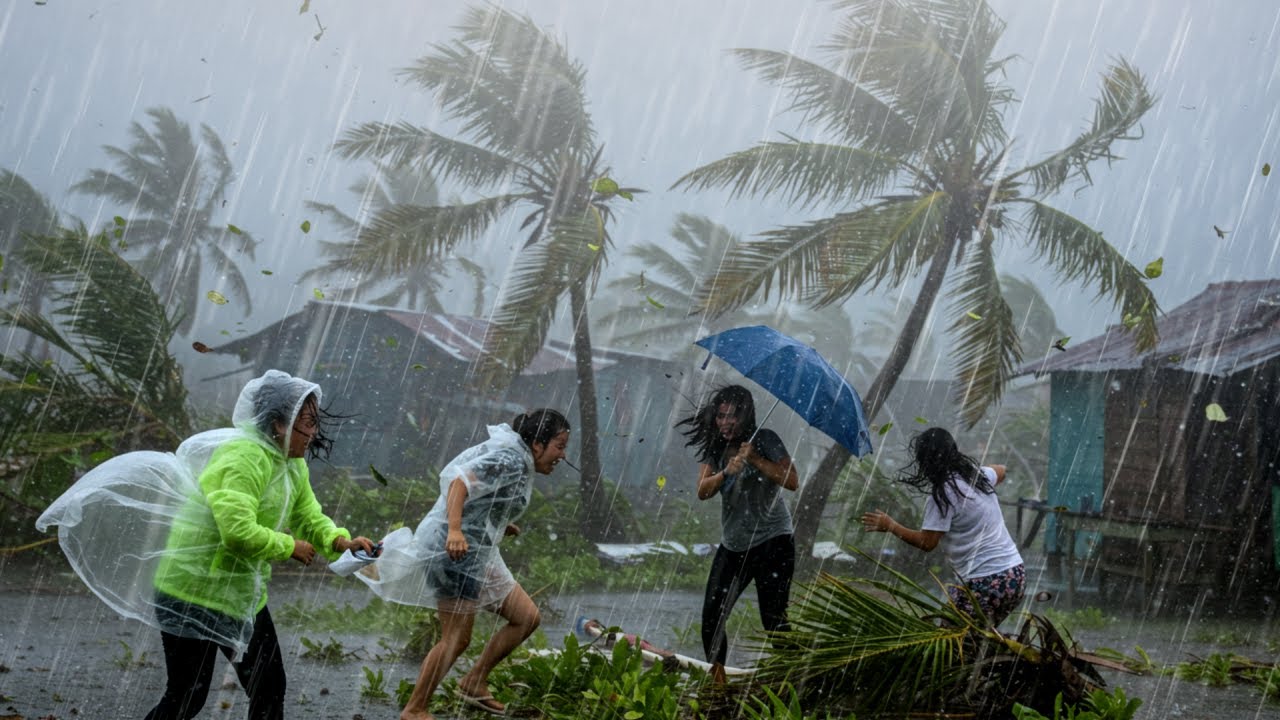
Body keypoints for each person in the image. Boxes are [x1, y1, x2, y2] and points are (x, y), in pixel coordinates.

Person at [37, 369, 376, 719]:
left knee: (269, 689)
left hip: (239, 594)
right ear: (279, 424)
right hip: (190, 592)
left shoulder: (291, 466)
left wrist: (339, 541)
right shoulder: (244, 459)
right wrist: (288, 546)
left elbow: (308, 514)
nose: (313, 433)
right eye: (307, 423)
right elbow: (236, 530)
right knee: (186, 697)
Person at [355, 409, 570, 720]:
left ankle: (474, 681)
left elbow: (483, 498)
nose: (562, 455)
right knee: (456, 636)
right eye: (559, 446)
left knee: (526, 617)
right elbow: (460, 484)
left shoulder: (519, 461)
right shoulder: (510, 459)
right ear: (537, 444)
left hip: (478, 550)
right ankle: (415, 709)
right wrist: (455, 530)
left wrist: (495, 523)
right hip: (455, 553)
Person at [675, 384, 799, 683]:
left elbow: (792, 480)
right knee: (711, 620)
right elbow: (703, 491)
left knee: (773, 621)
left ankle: (799, 675)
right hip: (734, 545)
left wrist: (755, 459)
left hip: (774, 542)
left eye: (732, 416)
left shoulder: (766, 440)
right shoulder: (714, 446)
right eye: (720, 416)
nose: (726, 423)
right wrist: (726, 472)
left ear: (746, 416)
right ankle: (718, 685)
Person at [861, 427, 1025, 628]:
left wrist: (890, 525)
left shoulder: (942, 496)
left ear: (925, 462)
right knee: (975, 639)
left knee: (951, 641)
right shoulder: (978, 476)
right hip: (1014, 575)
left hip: (985, 581)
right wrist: (980, 475)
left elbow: (927, 542)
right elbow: (1002, 470)